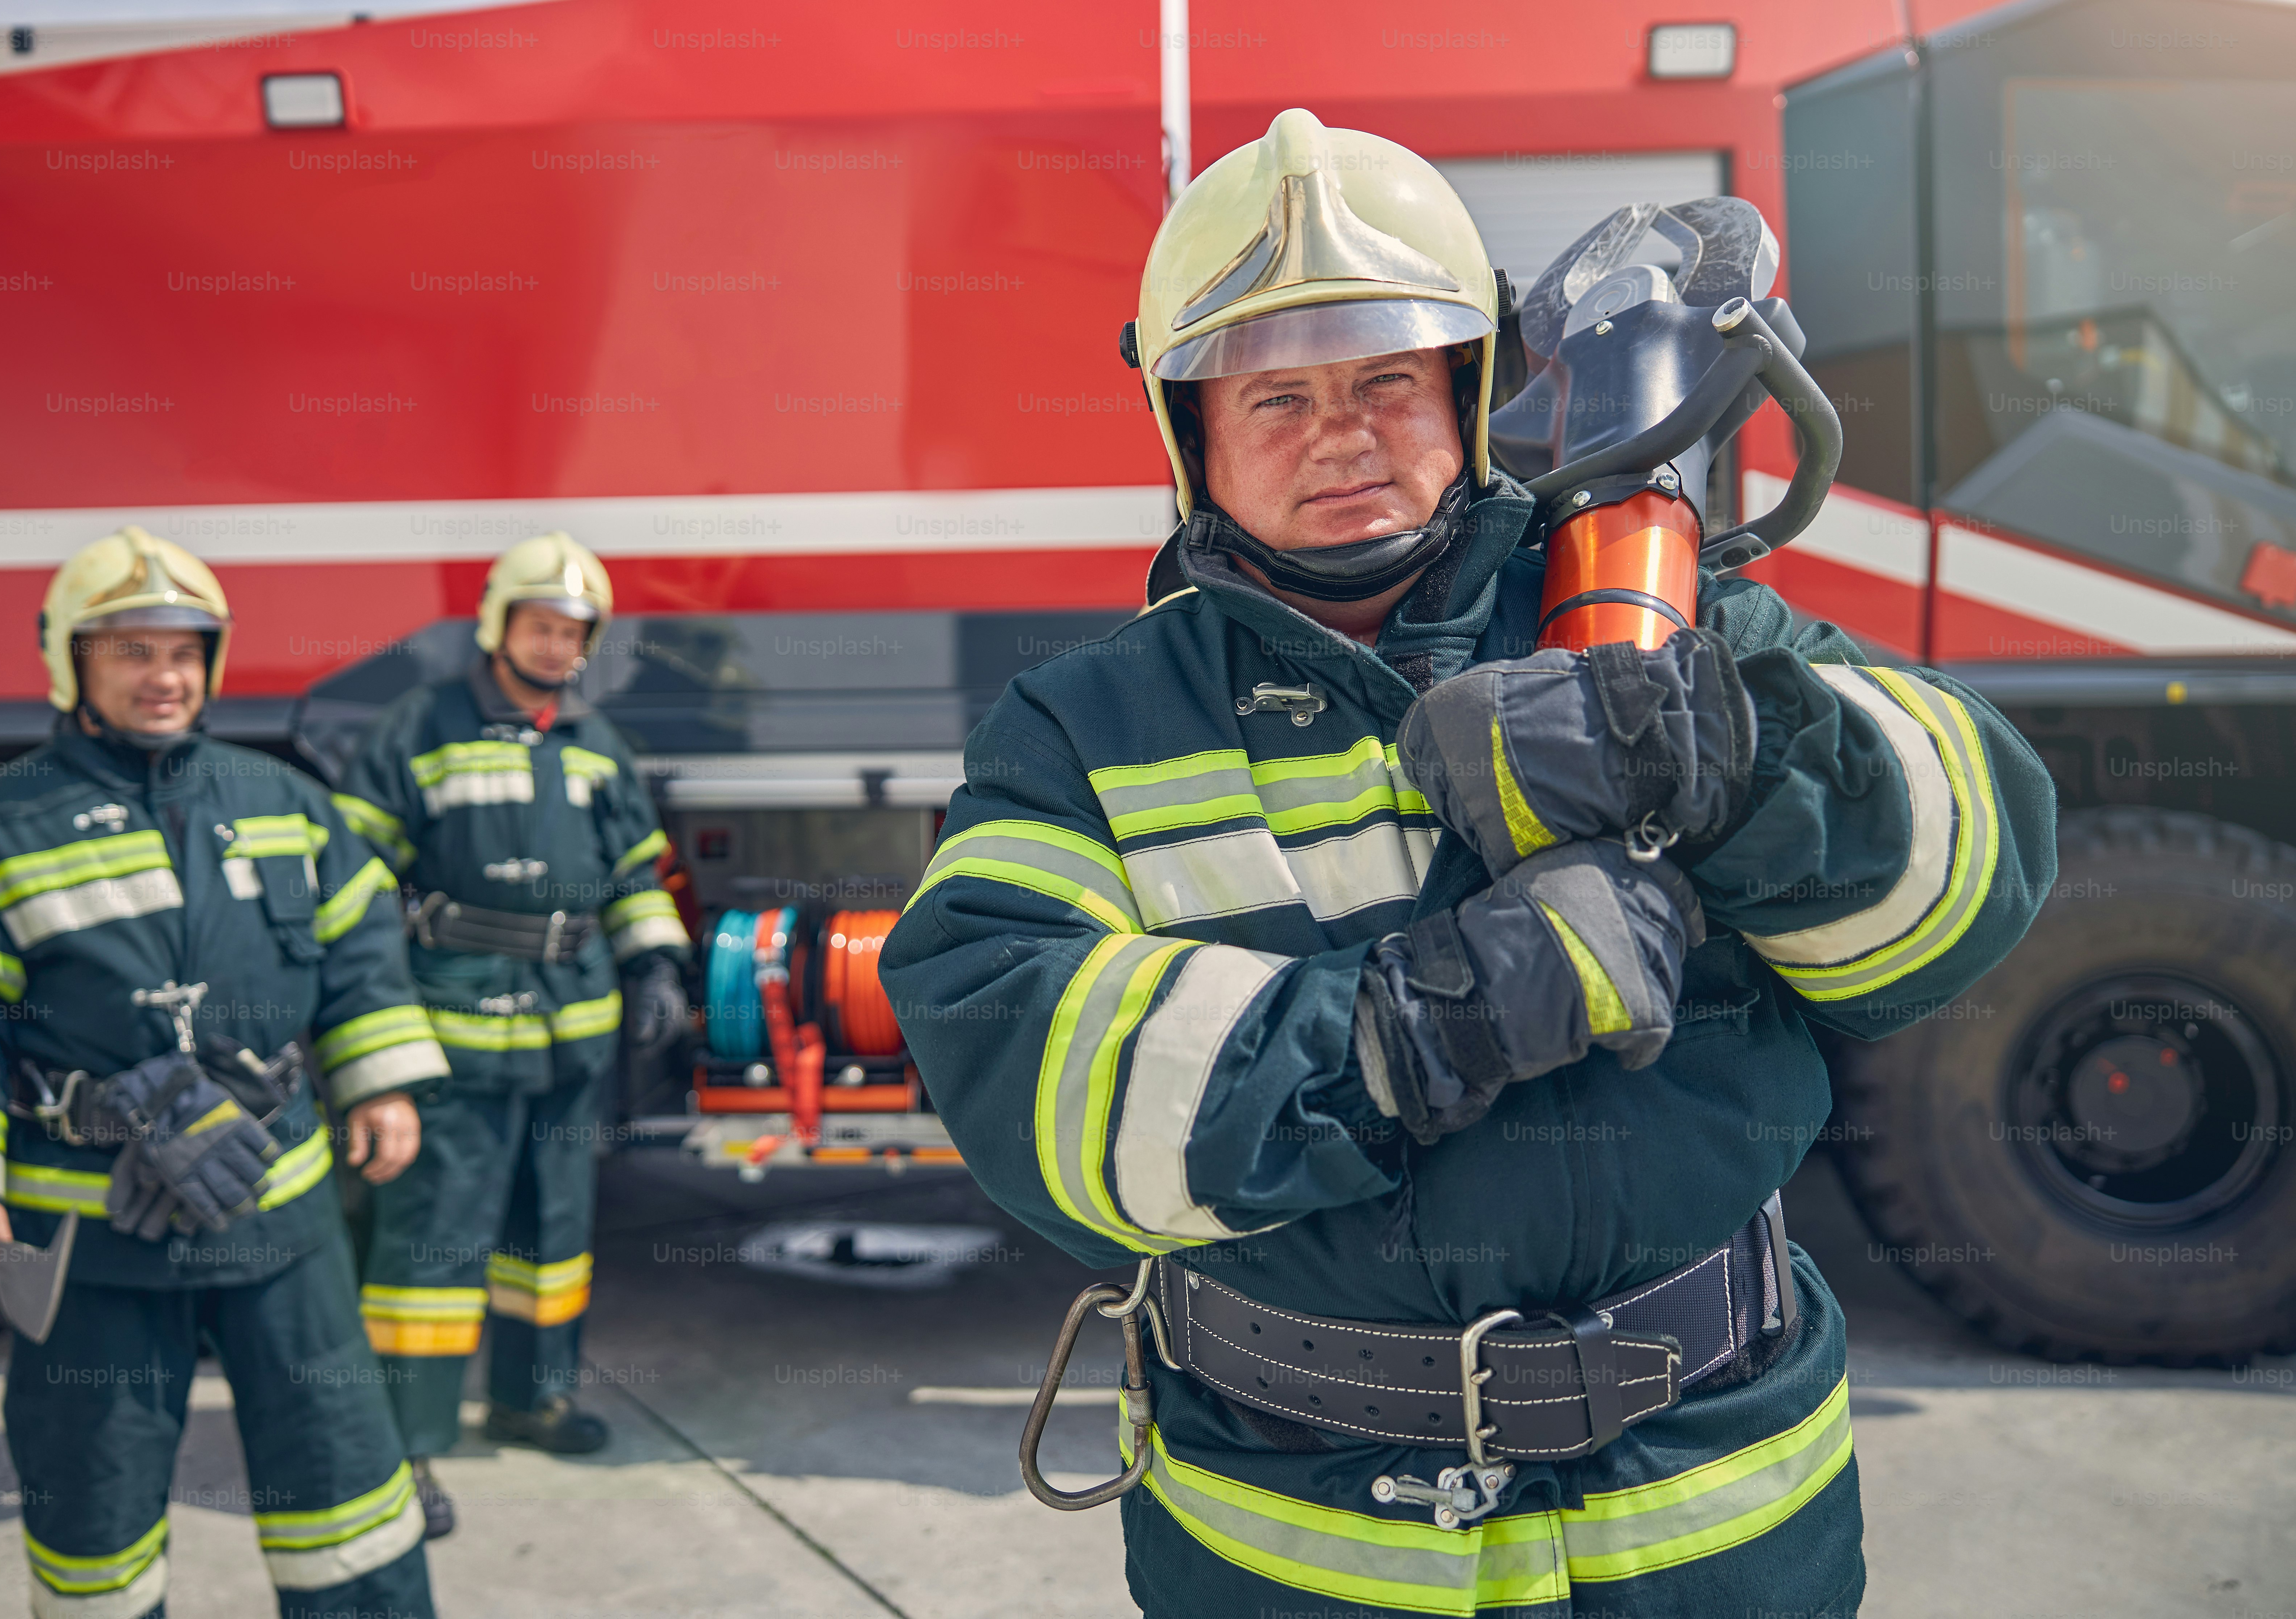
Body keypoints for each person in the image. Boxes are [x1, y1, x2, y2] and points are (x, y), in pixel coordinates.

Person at [879, 110, 2056, 1618]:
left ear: (1467, 392)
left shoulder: (1660, 616)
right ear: (1193, 439)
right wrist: (1418, 1022)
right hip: (1299, 1552)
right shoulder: (1085, 729)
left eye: (1387, 379)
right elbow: (1015, 1061)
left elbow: (1971, 881)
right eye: (1277, 398)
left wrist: (1727, 757)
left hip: (1723, 1522)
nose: (1343, 434)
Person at [0, 527, 446, 1619]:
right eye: (132, 651)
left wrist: (381, 1078)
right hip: (90, 1237)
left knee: (346, 1484)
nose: (164, 676)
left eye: (184, 652)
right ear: (70, 662)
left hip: (281, 1215)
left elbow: (363, 944)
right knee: (93, 1502)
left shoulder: (286, 803)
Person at [334, 532, 688, 1537]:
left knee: (551, 1230)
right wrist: (364, 1021)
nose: (556, 646)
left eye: (573, 632)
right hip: (451, 1034)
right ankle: (405, 1447)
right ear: (498, 626)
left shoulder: (594, 742)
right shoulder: (421, 729)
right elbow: (352, 882)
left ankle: (535, 1400)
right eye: (541, 626)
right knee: (433, 1239)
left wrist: (656, 965)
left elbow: (634, 874)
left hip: (571, 1034)